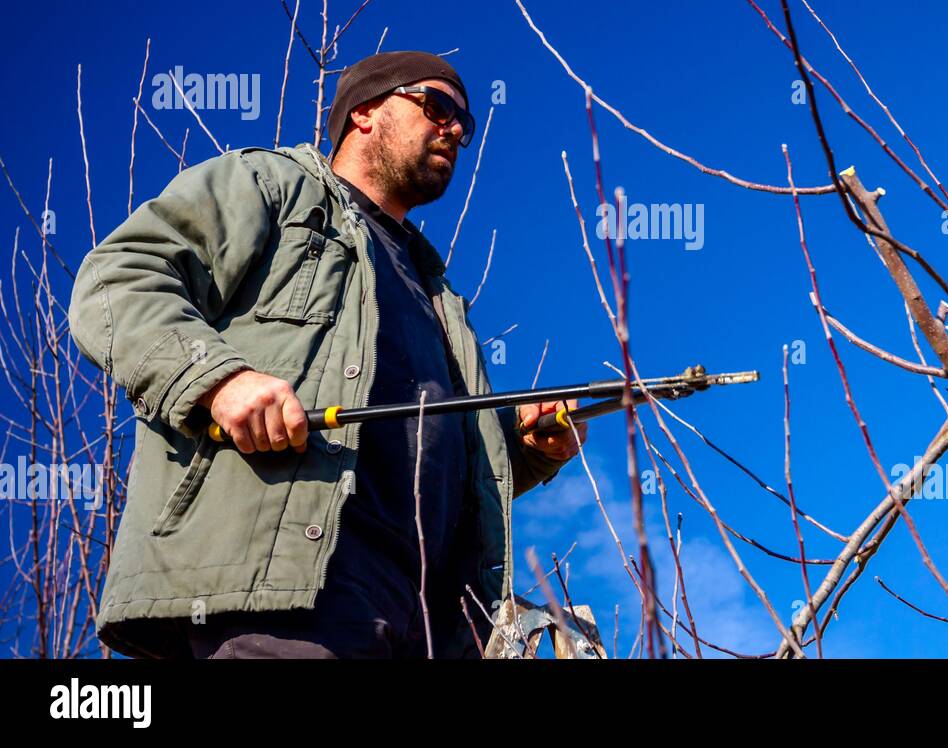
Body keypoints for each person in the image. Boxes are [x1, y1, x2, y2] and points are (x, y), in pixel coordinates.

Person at [68, 50, 587, 658]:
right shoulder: (273, 185)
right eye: (438, 107)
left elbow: (439, 457)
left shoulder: (440, 295)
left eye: (464, 125)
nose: (454, 130)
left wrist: (526, 448)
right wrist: (218, 380)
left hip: (431, 622)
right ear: (365, 112)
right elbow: (116, 280)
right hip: (289, 594)